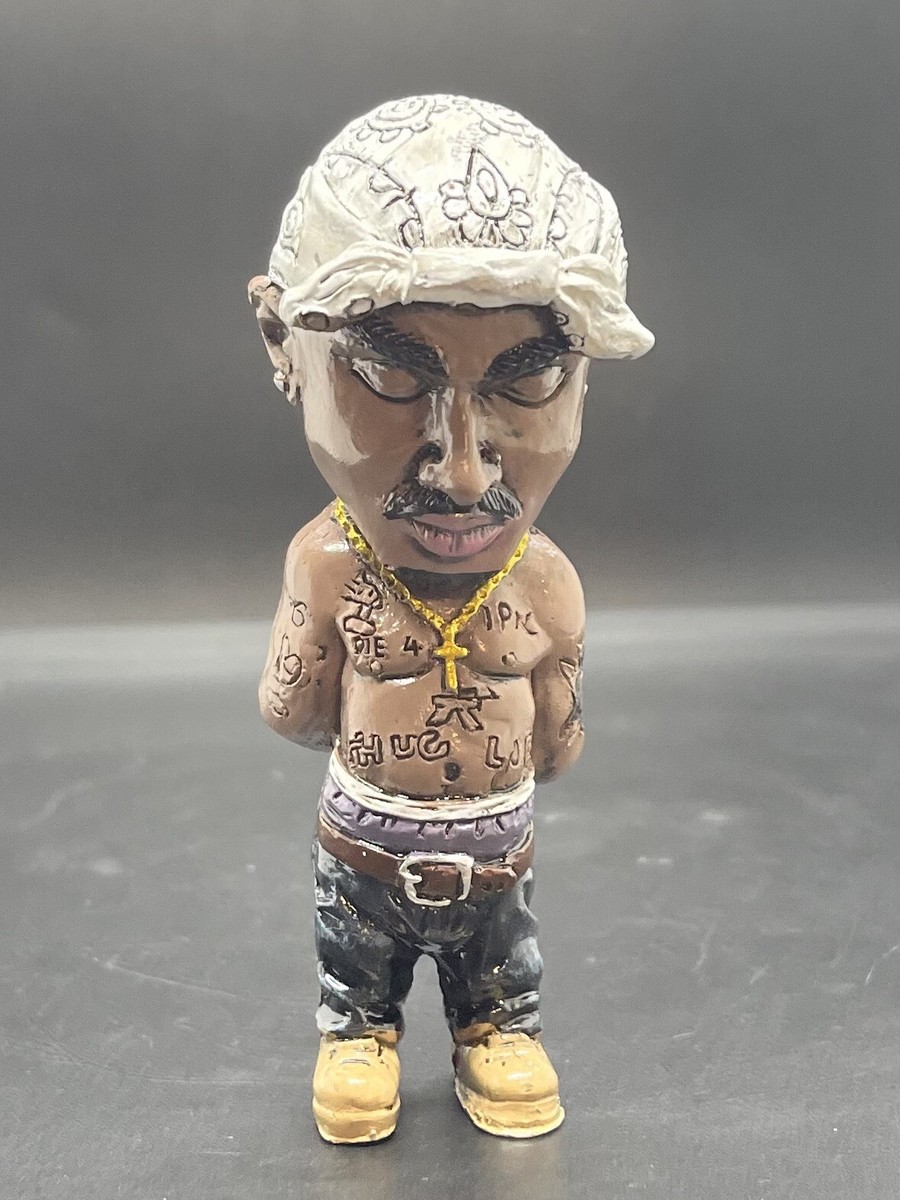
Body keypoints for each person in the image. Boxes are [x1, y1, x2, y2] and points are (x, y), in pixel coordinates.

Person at [248, 94, 653, 1143]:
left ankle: (495, 1027)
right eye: (391, 373)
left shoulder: (544, 582)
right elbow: (292, 708)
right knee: (357, 967)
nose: (466, 473)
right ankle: (358, 1031)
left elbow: (555, 737)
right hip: (364, 852)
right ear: (280, 341)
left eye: (535, 377)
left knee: (502, 966)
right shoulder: (328, 566)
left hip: (497, 856)